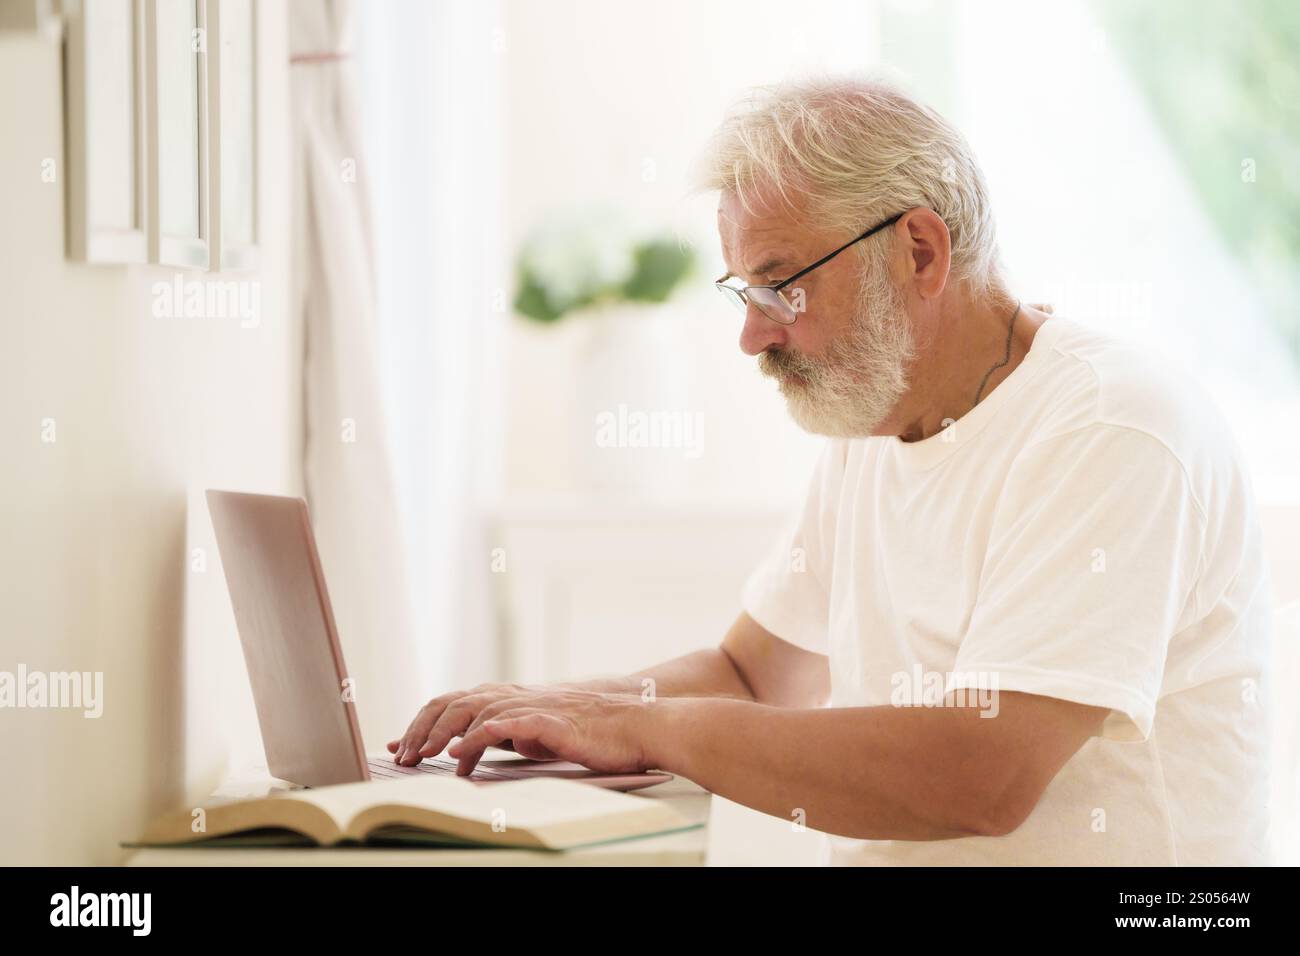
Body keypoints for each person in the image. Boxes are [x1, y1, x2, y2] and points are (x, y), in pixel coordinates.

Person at [390, 77, 1273, 865]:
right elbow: (752, 674)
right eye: (746, 293)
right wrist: (541, 707)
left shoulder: (1109, 427)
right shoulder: (880, 421)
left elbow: (981, 777)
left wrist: (641, 726)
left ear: (919, 252)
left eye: (784, 287)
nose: (753, 335)